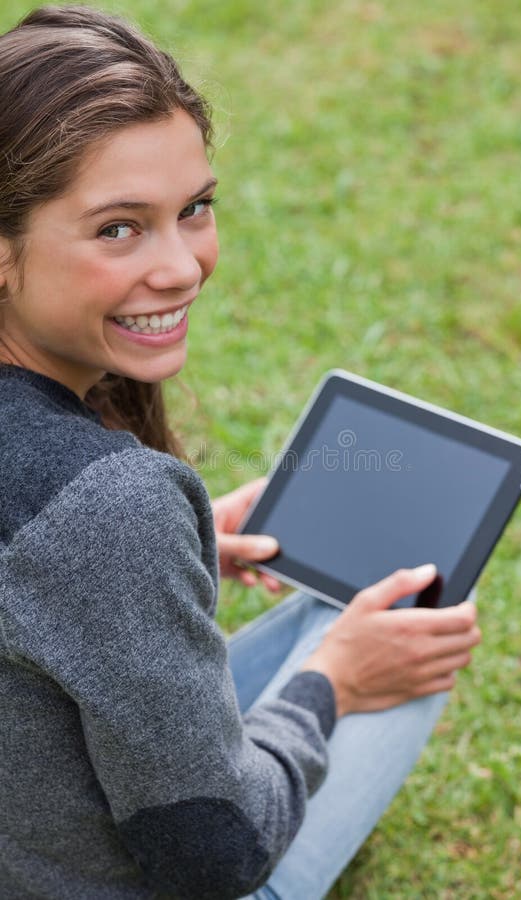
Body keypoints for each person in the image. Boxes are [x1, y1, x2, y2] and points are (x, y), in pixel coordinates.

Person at [0, 7, 481, 899]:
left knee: (368, 600)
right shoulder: (108, 508)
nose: (183, 267)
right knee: (423, 602)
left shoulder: (88, 513)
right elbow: (215, 857)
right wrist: (334, 684)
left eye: (194, 209)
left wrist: (176, 556)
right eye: (118, 228)